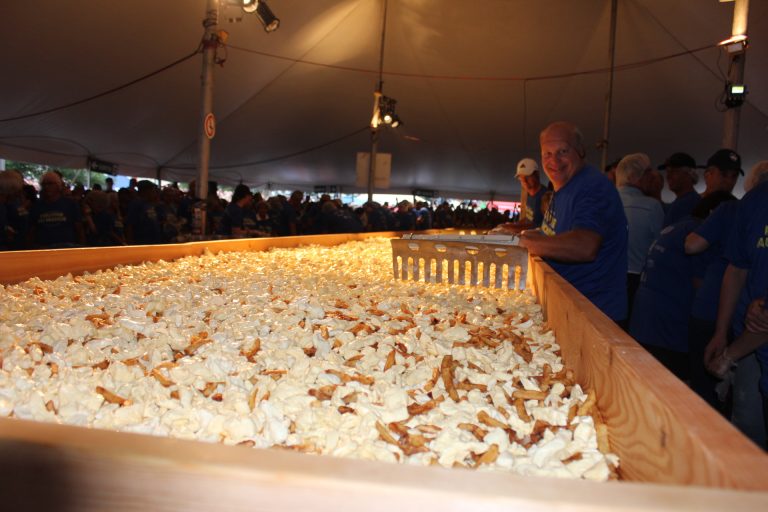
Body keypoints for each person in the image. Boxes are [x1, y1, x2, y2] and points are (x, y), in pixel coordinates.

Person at [519, 121, 628, 323]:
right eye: (547, 154)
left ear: (581, 151)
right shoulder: (562, 188)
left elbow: (584, 246)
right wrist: (518, 235)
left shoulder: (592, 187)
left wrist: (523, 244)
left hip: (596, 314)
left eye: (562, 151)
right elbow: (550, 234)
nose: (554, 161)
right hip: (571, 306)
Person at [629, 192, 734, 381]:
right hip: (669, 331)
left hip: (645, 323)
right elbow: (700, 285)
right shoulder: (698, 235)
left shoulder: (679, 225)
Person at [704, 174, 768, 447]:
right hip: (758, 349)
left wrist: (730, 355)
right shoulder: (757, 199)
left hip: (752, 339)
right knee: (748, 433)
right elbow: (736, 268)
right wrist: (721, 332)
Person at [616, 153, 664, 321]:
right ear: (634, 177)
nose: (652, 177)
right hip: (636, 280)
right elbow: (658, 246)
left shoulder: (606, 199)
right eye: (648, 173)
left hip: (607, 276)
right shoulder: (651, 206)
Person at [28, 171, 85, 249]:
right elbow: (31, 230)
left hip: (66, 247)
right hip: (43, 248)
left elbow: (79, 228)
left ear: (58, 186)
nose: (47, 187)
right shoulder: (36, 206)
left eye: (50, 184)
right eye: (44, 184)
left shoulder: (70, 204)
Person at [492, 158, 546, 234]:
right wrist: (514, 224)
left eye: (527, 177)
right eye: (521, 178)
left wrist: (510, 227)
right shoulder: (529, 195)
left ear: (537, 174)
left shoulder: (545, 197)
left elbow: (537, 226)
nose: (524, 181)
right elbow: (528, 219)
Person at [659, 152, 701, 227]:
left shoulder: (692, 203)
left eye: (674, 171)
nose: (668, 176)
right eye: (667, 172)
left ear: (689, 174)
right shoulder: (677, 204)